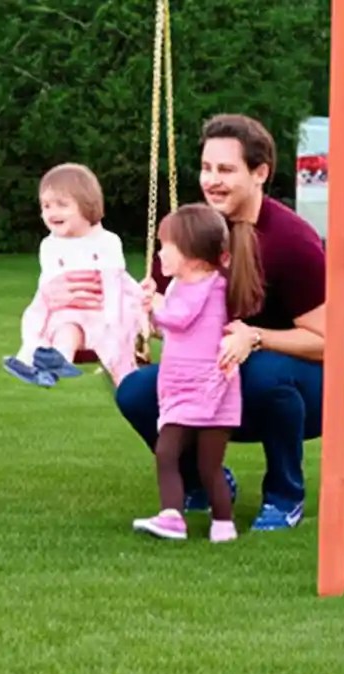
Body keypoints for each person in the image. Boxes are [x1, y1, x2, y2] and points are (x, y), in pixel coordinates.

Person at [112, 113, 344, 531]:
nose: (212, 180)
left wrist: (256, 337)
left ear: (260, 173)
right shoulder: (192, 229)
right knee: (137, 391)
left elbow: (332, 342)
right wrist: (138, 316)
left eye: (226, 170)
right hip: (223, 379)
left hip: (329, 387)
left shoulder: (290, 241)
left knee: (262, 371)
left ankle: (285, 496)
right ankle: (202, 481)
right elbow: (168, 317)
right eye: (207, 168)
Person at [131, 203, 263, 542]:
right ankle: (182, 518)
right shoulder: (185, 285)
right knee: (187, 459)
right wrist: (153, 303)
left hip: (208, 387)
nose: (160, 253)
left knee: (197, 462)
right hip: (189, 386)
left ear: (190, 254)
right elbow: (172, 324)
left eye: (165, 246)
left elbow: (179, 318)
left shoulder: (208, 286)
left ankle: (220, 521)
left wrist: (157, 303)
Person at [3, 163, 147, 387]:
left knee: (116, 350)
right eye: (46, 205)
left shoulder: (107, 241)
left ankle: (130, 386)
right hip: (69, 313)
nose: (52, 212)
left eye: (62, 204)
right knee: (64, 331)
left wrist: (113, 322)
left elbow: (113, 286)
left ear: (87, 205)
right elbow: (49, 288)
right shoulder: (49, 246)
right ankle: (50, 364)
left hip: (104, 311)